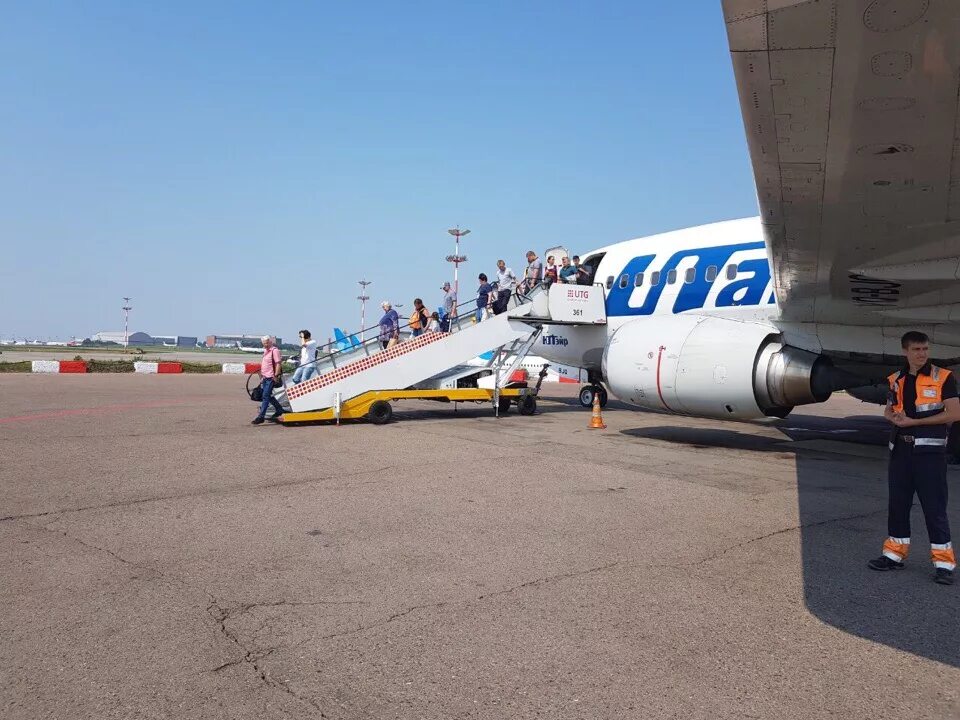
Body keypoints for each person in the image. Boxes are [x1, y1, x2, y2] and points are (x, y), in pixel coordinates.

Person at [868, 331, 960, 585]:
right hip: (900, 451)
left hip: (929, 454)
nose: (922, 354)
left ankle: (944, 564)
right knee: (897, 506)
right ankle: (894, 555)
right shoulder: (895, 379)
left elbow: (954, 413)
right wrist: (893, 418)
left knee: (934, 508)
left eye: (925, 349)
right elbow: (889, 409)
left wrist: (914, 421)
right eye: (917, 349)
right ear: (905, 351)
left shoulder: (943, 377)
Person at [252, 335, 284, 425]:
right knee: (266, 395)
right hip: (265, 377)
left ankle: (261, 417)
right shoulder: (266, 351)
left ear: (270, 342)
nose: (265, 345)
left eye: (266, 343)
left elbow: (278, 363)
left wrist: (276, 375)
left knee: (265, 396)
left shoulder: (275, 351)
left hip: (271, 377)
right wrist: (262, 377)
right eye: (263, 343)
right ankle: (279, 409)